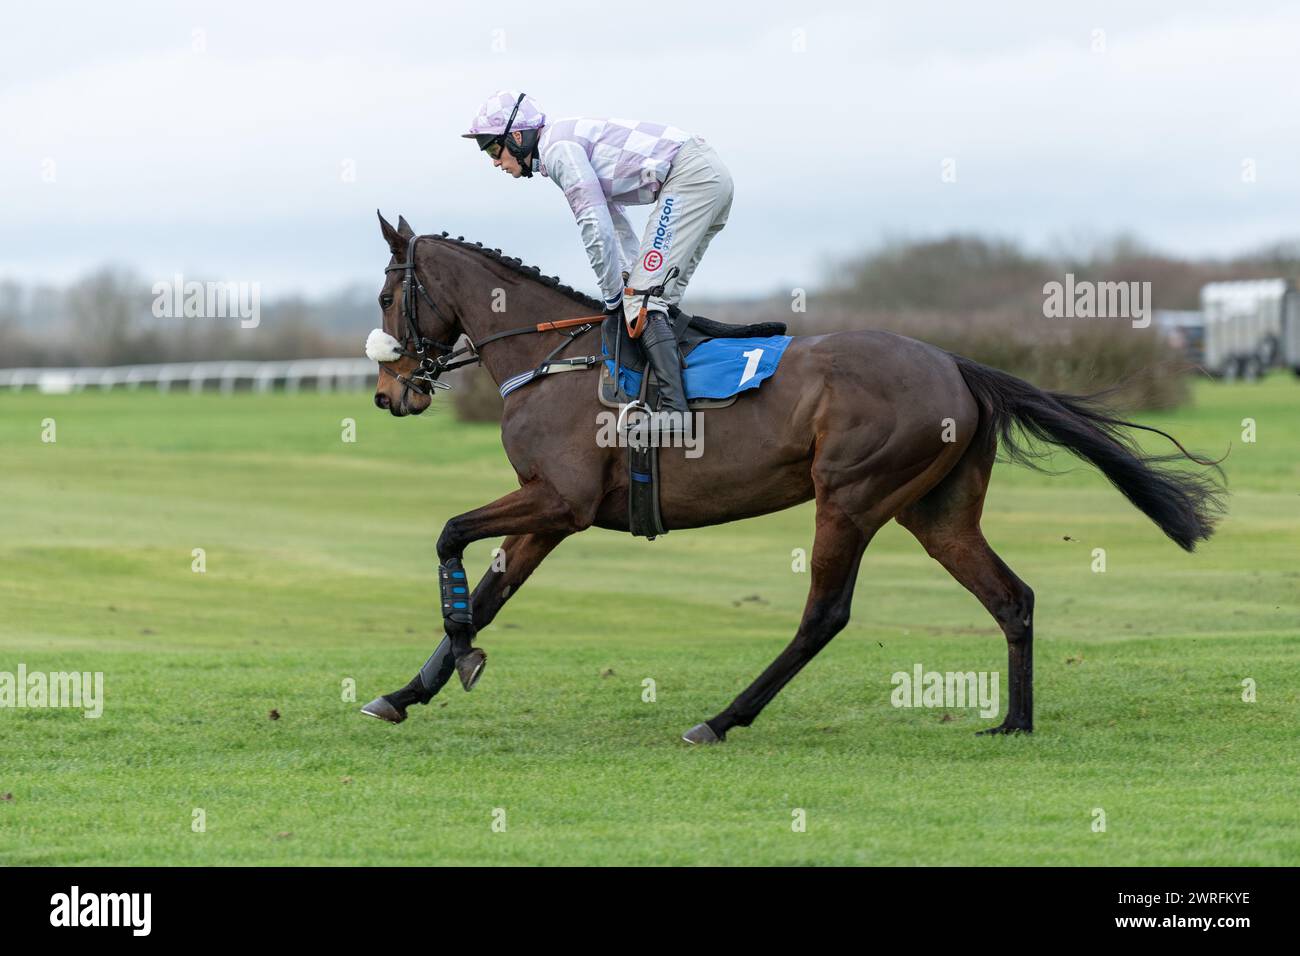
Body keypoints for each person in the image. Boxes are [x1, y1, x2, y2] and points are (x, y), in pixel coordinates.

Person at [463, 91, 734, 424]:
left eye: (493, 148)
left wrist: (613, 297)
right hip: (706, 176)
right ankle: (676, 397)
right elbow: (614, 218)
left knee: (642, 302)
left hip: (691, 177)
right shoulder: (560, 146)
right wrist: (626, 275)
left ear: (517, 137)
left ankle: (674, 414)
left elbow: (595, 226)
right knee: (654, 303)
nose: (493, 161)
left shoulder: (558, 150)